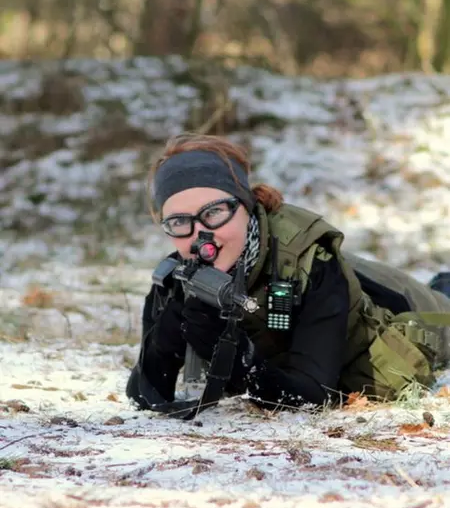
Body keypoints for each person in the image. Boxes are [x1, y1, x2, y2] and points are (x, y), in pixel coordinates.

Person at [126, 134, 450, 411]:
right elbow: (142, 393)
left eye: (214, 212)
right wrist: (165, 338)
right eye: (180, 221)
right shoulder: (178, 278)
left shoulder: (312, 262)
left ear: (245, 205)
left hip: (395, 304)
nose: (201, 236)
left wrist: (239, 361)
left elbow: (311, 396)